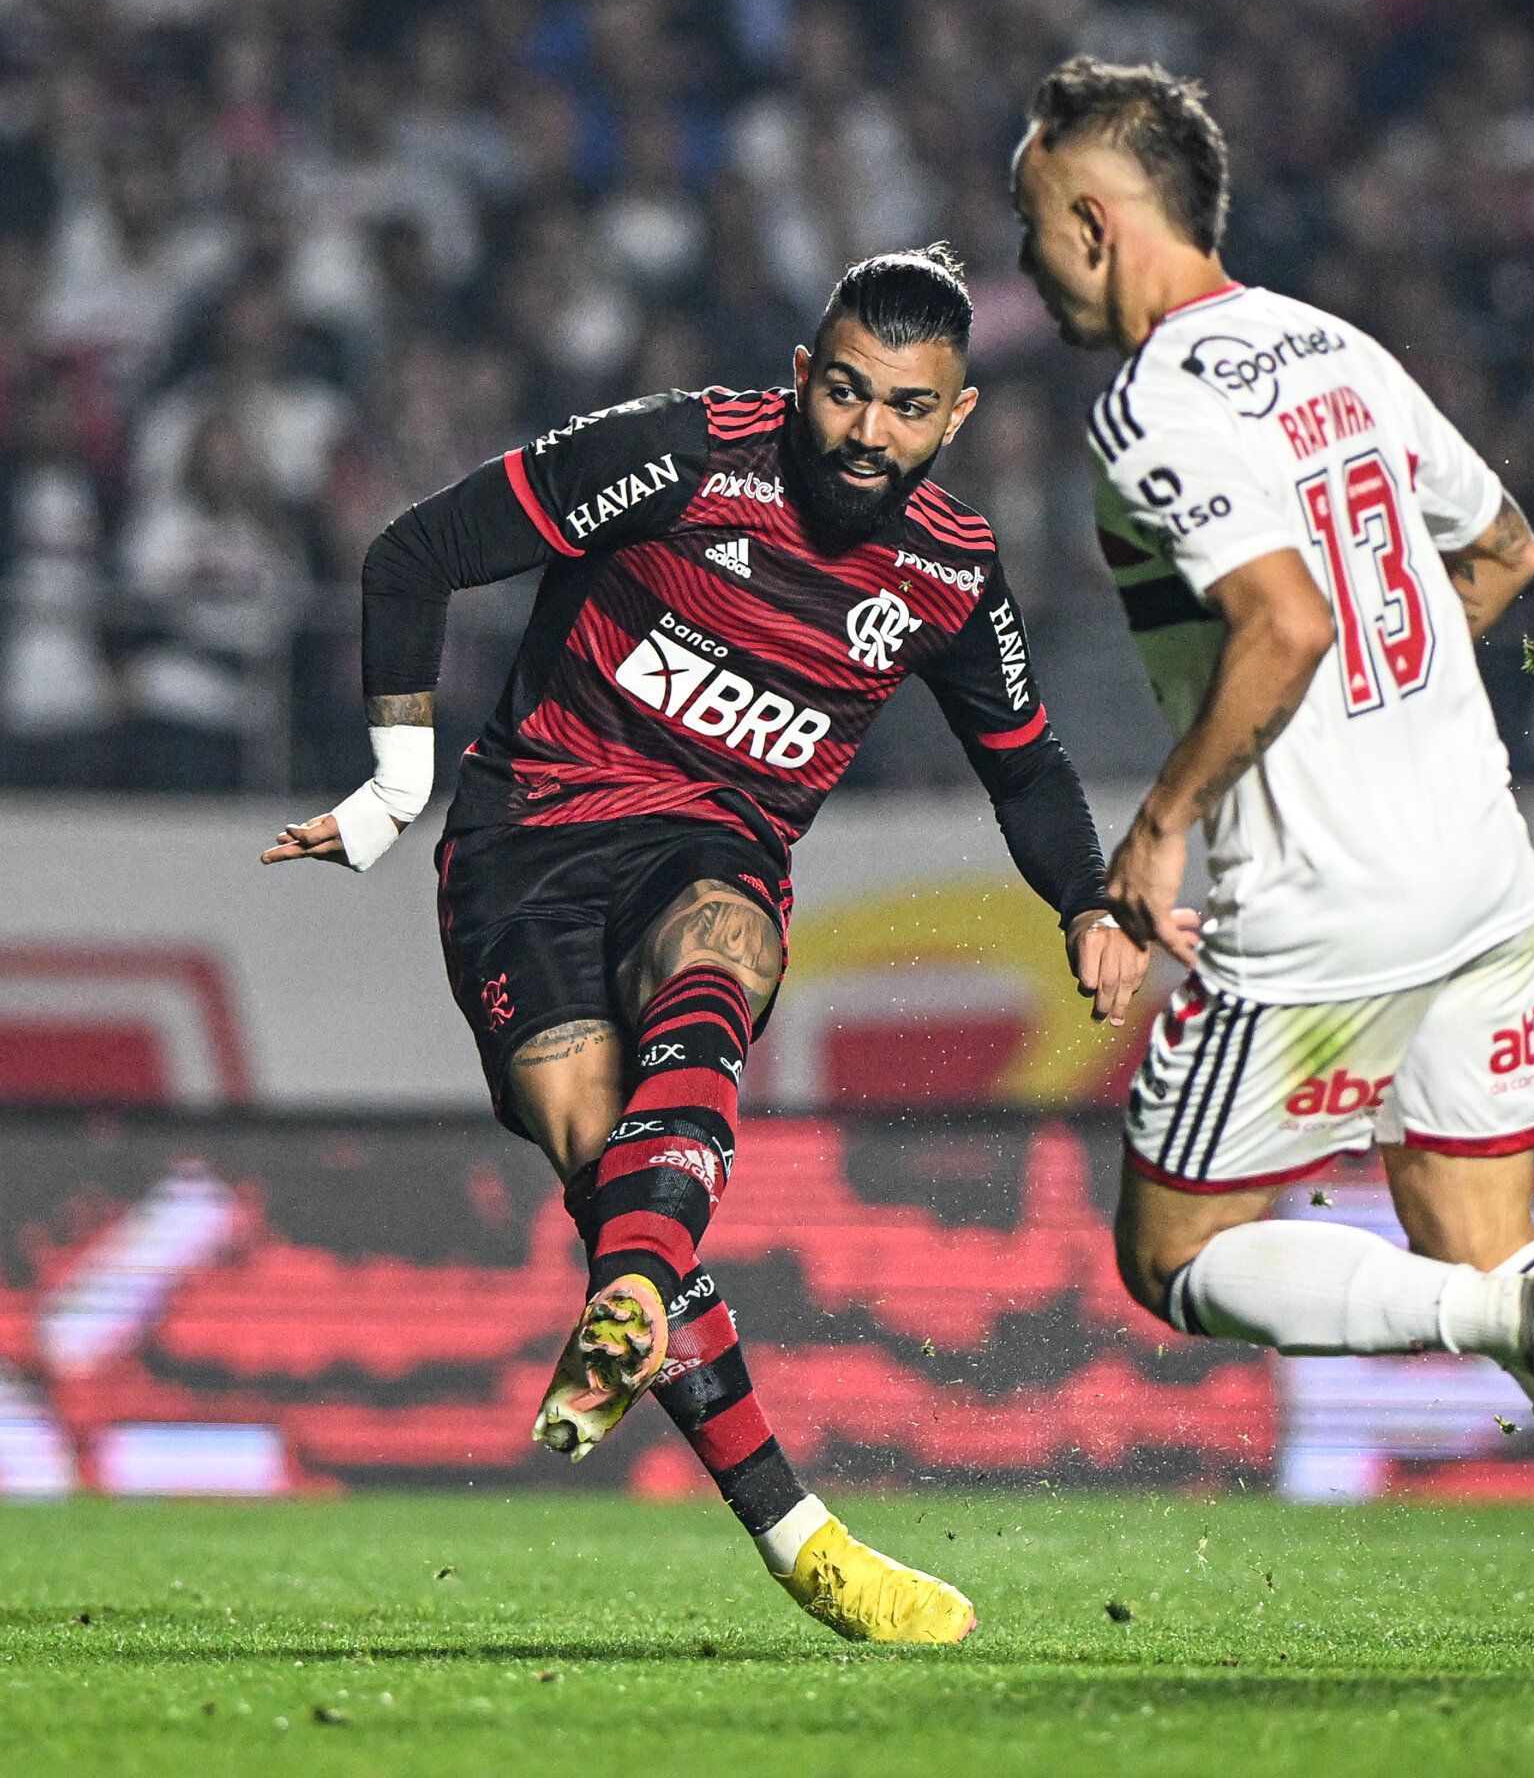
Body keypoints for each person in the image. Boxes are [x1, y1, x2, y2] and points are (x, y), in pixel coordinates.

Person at [1010, 55, 1534, 1675]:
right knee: (1480, 1239)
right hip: (1481, 866)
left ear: (1094, 222)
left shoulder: (1150, 406)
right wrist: (1393, 720)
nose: (1026, 263)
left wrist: (1162, 825)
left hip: (1323, 899)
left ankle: (1518, 1320)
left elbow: (1286, 621)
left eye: (1032, 225)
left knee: (1176, 1255)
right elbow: (1505, 550)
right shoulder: (1338, 350)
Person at [261, 247, 1146, 1642]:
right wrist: (391, 788)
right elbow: (411, 556)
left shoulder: (951, 574)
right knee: (598, 1150)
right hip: (526, 848)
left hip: (710, 847)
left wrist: (1087, 903)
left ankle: (678, 1364)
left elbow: (1026, 765)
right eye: (845, 392)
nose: (868, 431)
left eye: (908, 407)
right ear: (801, 375)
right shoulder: (676, 459)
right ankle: (774, 1495)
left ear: (958, 417)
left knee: (720, 947)